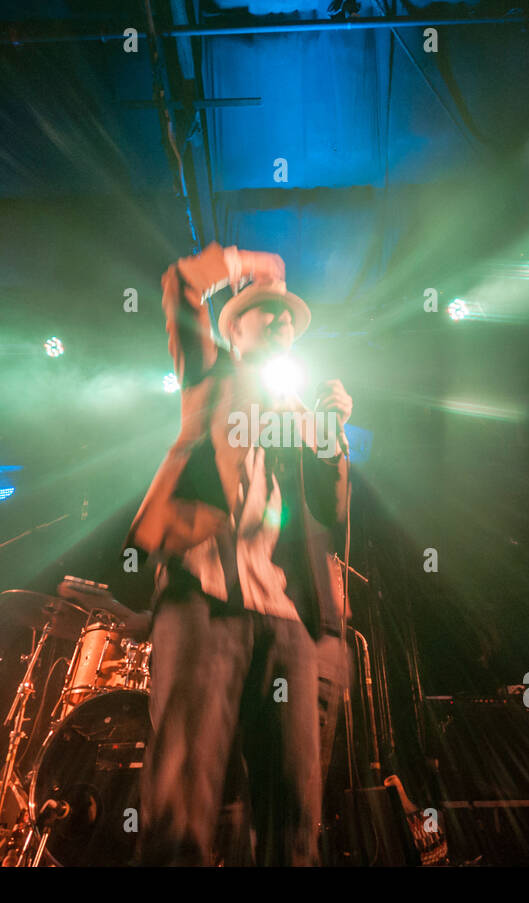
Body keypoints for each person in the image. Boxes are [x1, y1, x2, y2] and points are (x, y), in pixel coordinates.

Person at [128, 242, 352, 865]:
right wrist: (246, 262)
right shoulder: (211, 375)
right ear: (235, 327)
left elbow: (332, 525)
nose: (283, 322)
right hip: (205, 597)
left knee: (294, 818)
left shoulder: (304, 417)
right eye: (268, 314)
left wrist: (334, 446)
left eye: (288, 319)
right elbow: (179, 284)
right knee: (184, 801)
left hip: (286, 618)